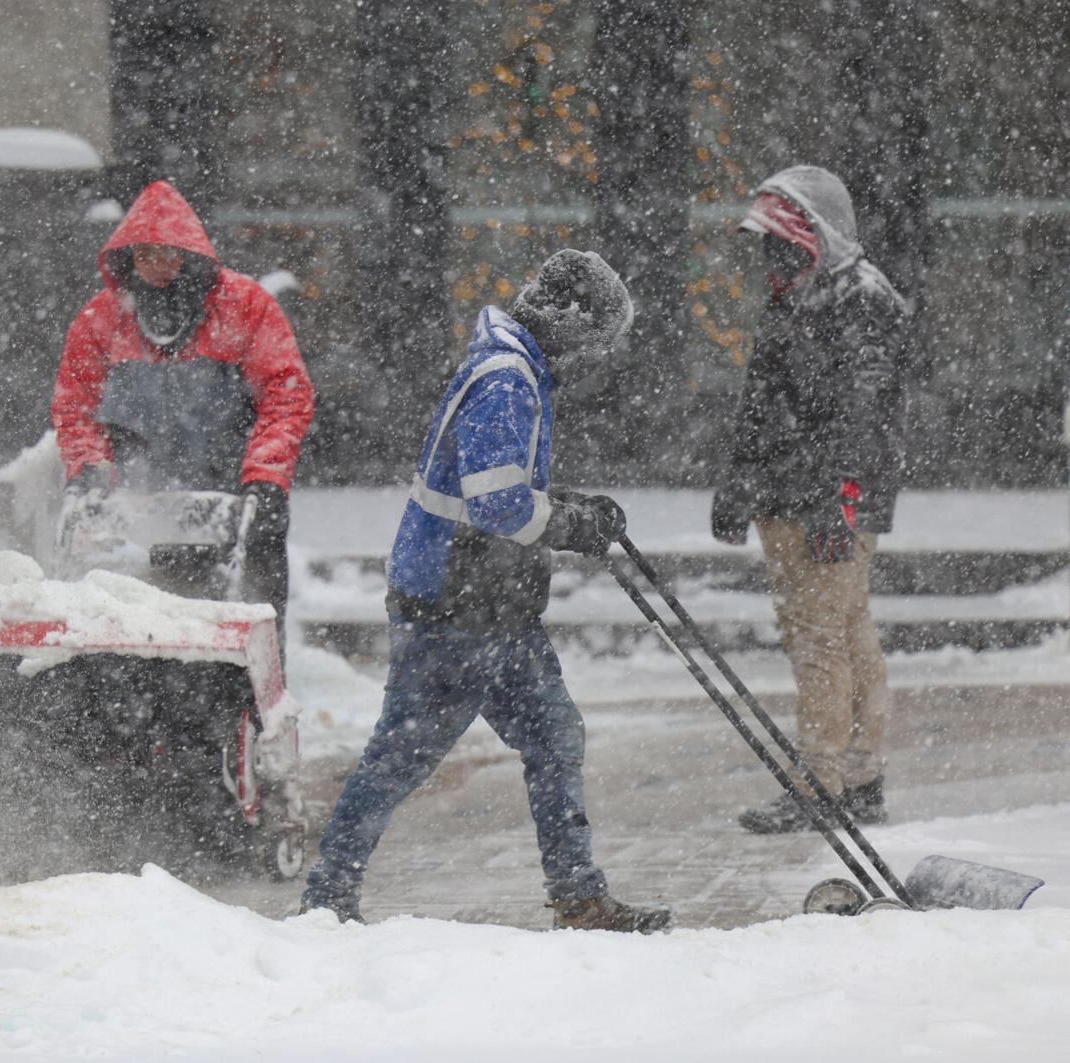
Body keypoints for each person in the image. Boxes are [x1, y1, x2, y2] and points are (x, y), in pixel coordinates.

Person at [299, 250, 673, 933]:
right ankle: (325, 896)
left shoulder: (517, 366)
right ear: (569, 319)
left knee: (554, 736)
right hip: (454, 605)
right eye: (593, 341)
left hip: (490, 602)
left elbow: (496, 488)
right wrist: (569, 522)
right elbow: (498, 505)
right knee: (400, 756)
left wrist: (566, 505)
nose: (591, 358)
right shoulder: (507, 380)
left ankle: (578, 895)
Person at [711, 165, 908, 833]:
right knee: (831, 634)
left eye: (783, 244)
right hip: (787, 494)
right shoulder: (791, 298)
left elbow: (863, 412)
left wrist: (840, 499)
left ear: (816, 237)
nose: (773, 257)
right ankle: (859, 778)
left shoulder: (862, 299)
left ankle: (823, 782)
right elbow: (762, 403)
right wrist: (740, 478)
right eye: (767, 245)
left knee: (826, 638)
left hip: (829, 500)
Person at [51, 180, 314, 641]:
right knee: (139, 635)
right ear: (127, 260)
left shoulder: (247, 308)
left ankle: (253, 711)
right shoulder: (101, 321)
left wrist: (266, 478)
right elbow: (77, 406)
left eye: (168, 255)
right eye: (144, 256)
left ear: (191, 257)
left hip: (240, 504)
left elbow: (285, 395)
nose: (157, 269)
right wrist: (90, 468)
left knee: (250, 635)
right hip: (138, 513)